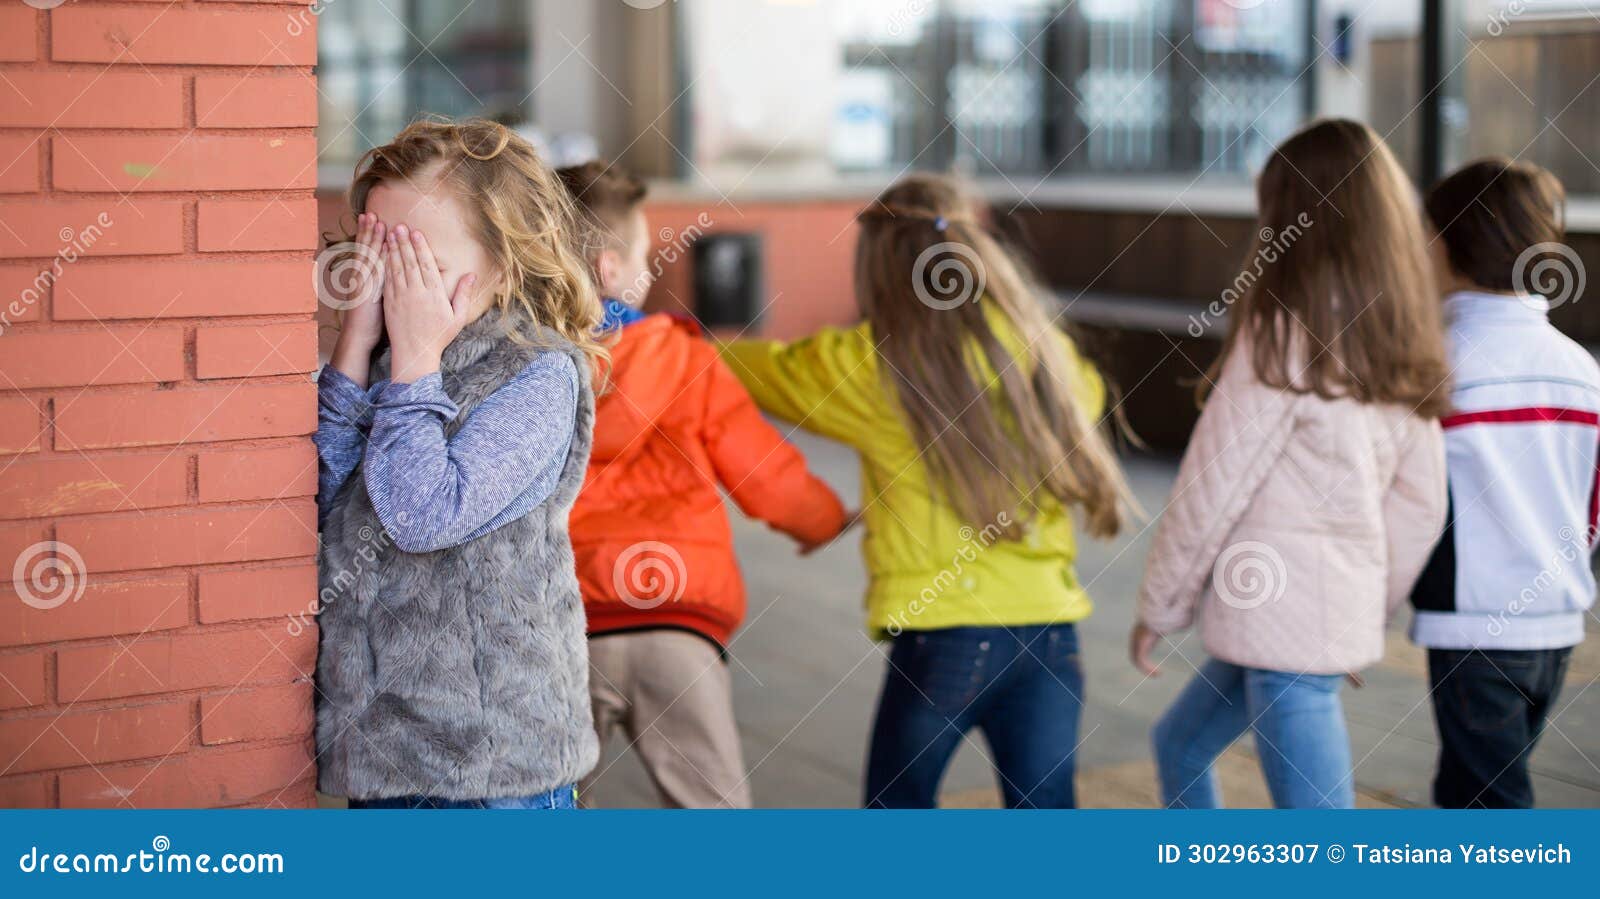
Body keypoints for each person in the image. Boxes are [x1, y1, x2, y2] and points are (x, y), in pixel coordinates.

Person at [722, 174, 1130, 808]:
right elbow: (1087, 397)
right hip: (1050, 634)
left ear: (880, 270)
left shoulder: (871, 364)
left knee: (897, 811)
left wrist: (667, 338)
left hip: (945, 638)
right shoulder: (1042, 348)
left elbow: (768, 370)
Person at [1131, 119, 1451, 809]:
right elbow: (1422, 504)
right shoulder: (1399, 335)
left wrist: (1161, 604)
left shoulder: (1283, 332)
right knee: (1178, 743)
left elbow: (1214, 484)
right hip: (1301, 617)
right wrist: (1364, 611)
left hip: (1280, 621)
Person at [313, 119, 604, 809]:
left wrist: (414, 363)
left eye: (422, 268)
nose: (397, 292)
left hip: (490, 770)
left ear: (505, 262)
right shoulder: (386, 360)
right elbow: (314, 500)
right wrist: (354, 347)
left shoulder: (535, 374)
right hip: (381, 757)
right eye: (382, 262)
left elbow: (421, 516)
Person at [556, 160, 848, 808]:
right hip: (679, 622)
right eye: (642, 256)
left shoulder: (530, 366)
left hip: (570, 622)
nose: (648, 270)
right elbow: (765, 473)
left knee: (551, 804)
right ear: (609, 268)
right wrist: (824, 519)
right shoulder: (689, 359)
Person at [1410, 157, 1597, 809]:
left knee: (1491, 809)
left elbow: (1407, 505)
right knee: (1475, 791)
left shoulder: (1438, 371)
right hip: (1557, 625)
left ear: (1446, 247)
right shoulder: (1581, 368)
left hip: (1473, 630)